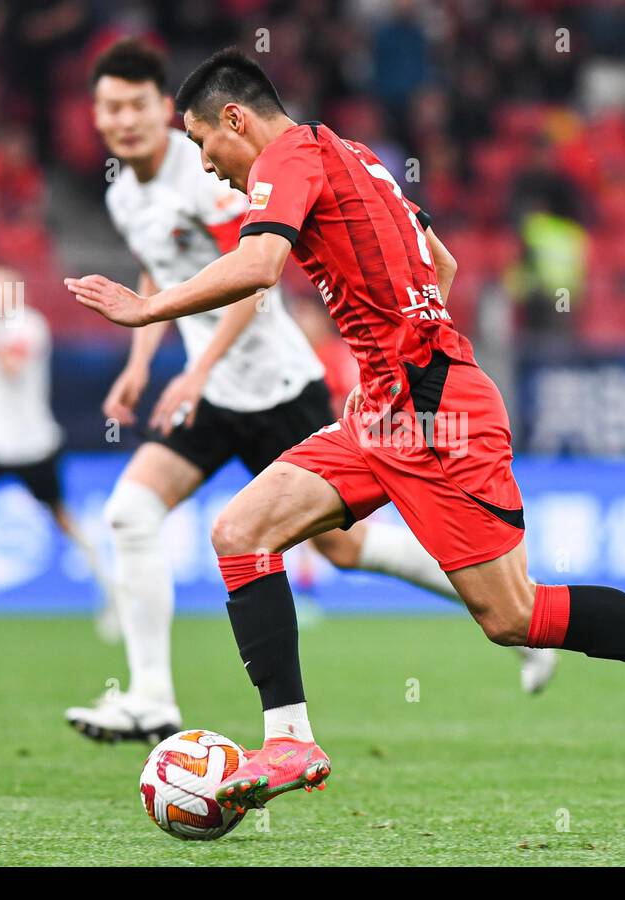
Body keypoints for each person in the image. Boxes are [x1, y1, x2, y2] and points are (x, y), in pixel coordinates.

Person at [66, 48, 625, 812]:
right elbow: (441, 262)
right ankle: (289, 739)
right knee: (242, 532)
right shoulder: (357, 157)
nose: (206, 164)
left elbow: (259, 264)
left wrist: (146, 309)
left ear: (236, 121)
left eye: (206, 144)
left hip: (442, 414)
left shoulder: (290, 158)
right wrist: (390, 351)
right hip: (388, 405)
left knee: (514, 616)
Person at [65, 41, 556, 744]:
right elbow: (155, 270)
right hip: (206, 393)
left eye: (137, 105)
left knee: (343, 551)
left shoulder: (214, 174)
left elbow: (256, 271)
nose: (124, 121)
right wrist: (142, 360)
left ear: (168, 114)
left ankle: (519, 621)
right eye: (108, 108)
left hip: (273, 386)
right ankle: (151, 697)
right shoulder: (124, 192)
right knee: (132, 511)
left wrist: (196, 364)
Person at [0, 265, 118, 639]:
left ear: (13, 294)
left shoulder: (29, 326)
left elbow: (11, 367)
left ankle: (110, 590)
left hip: (32, 444)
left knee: (62, 519)